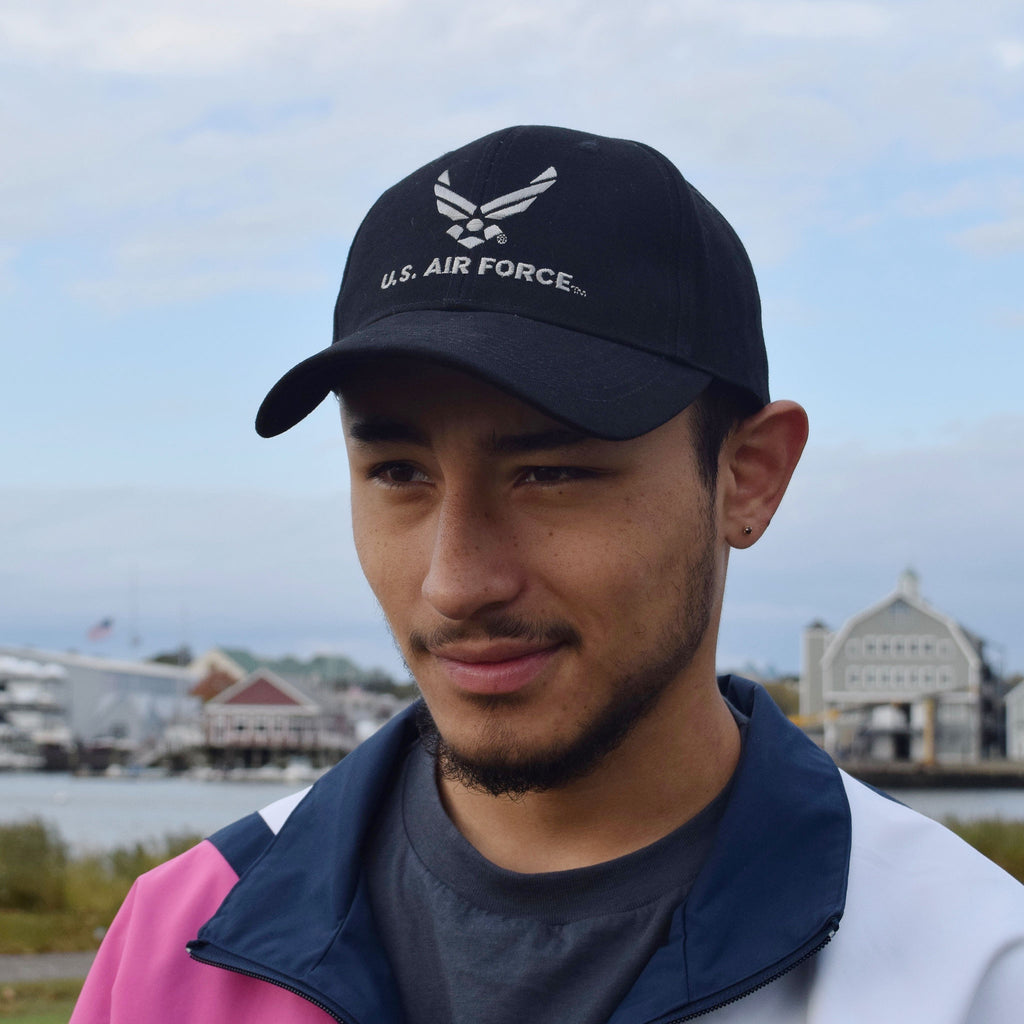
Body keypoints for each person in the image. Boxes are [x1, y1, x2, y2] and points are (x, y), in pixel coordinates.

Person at [71, 126, 1024, 1024]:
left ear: (749, 475)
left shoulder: (972, 972)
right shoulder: (183, 942)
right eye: (400, 473)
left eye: (551, 473)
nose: (456, 581)